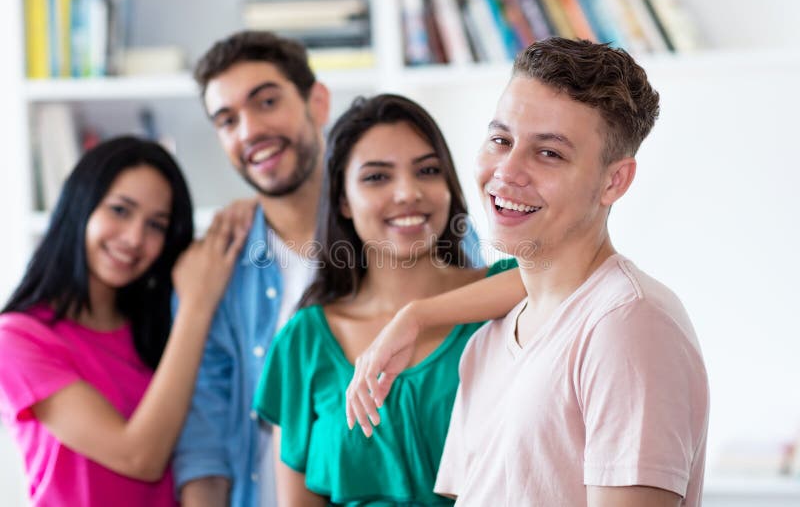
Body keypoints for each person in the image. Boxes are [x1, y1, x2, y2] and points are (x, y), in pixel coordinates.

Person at [346, 38, 710, 507]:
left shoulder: (629, 325)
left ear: (613, 181)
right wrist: (417, 316)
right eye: (501, 140)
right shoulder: (488, 341)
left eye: (549, 153)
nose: (508, 170)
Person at [174, 31, 485, 507]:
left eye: (267, 101)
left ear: (317, 102)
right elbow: (204, 442)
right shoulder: (217, 269)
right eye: (227, 119)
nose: (250, 130)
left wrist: (416, 316)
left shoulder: (435, 237)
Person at [253, 93, 521, 506]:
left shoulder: (510, 296)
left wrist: (417, 316)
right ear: (342, 199)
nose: (407, 192)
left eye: (428, 170)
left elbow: (568, 278)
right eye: (377, 177)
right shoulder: (303, 341)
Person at [0, 136, 246, 507]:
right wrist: (197, 304)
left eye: (156, 225)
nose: (134, 238)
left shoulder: (159, 327)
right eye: (119, 210)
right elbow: (139, 457)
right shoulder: (18, 340)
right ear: (81, 207)